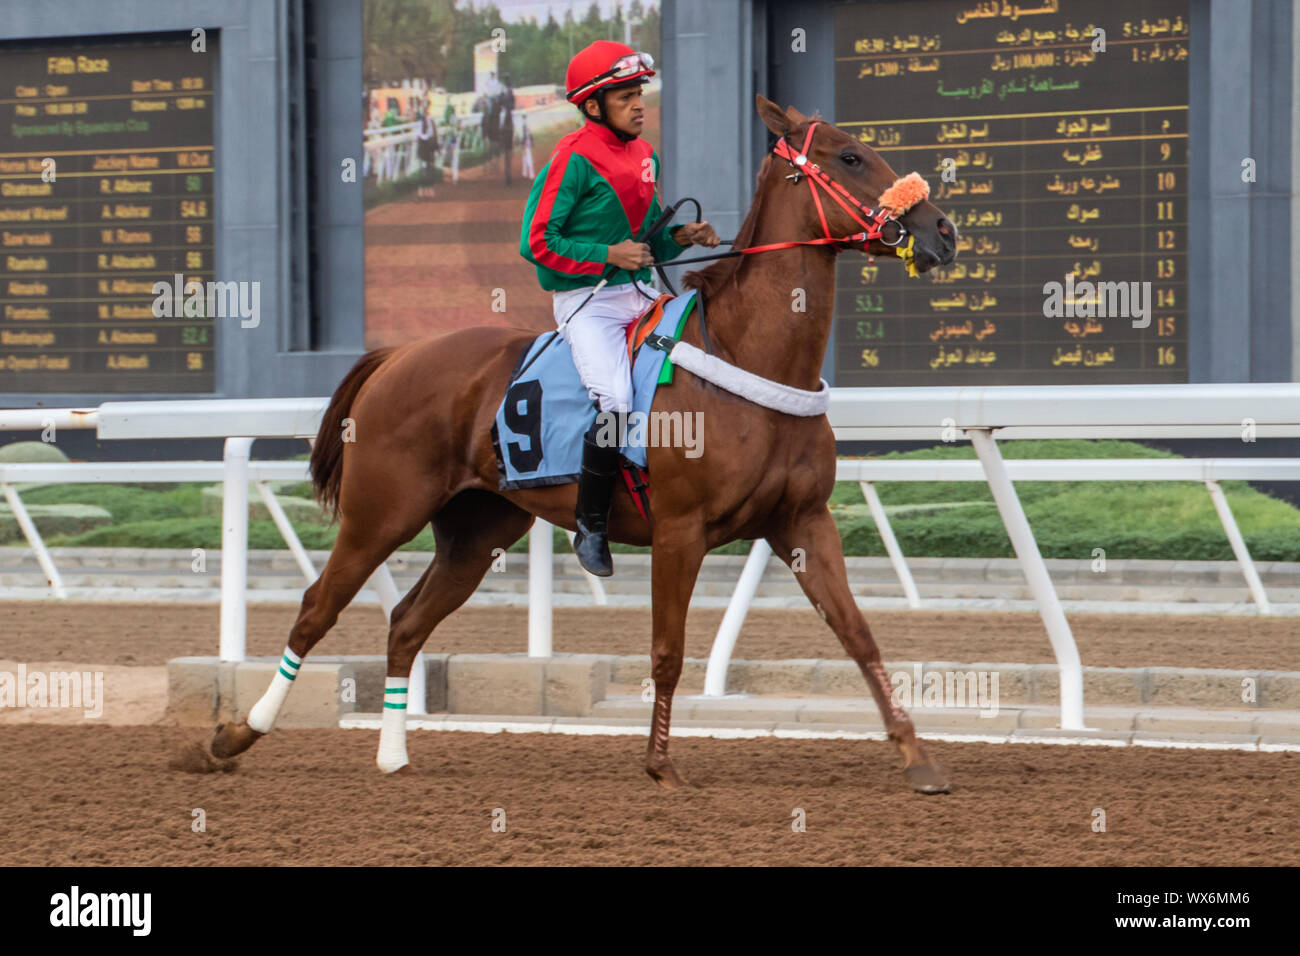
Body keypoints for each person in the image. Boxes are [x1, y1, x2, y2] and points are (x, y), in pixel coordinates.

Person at [519, 40, 720, 576]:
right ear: (592, 106)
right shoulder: (572, 158)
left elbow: (648, 241)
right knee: (615, 397)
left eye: (640, 94)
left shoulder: (644, 154)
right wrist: (607, 254)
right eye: (627, 97)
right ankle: (592, 522)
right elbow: (538, 243)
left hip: (643, 295)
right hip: (589, 303)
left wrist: (683, 237)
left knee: (703, 363)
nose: (639, 105)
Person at [520, 113, 535, 181]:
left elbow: (526, 135)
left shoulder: (525, 125)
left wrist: (524, 144)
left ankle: (529, 174)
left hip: (526, 144)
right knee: (526, 158)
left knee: (528, 158)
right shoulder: (525, 124)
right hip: (526, 143)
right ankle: (526, 173)